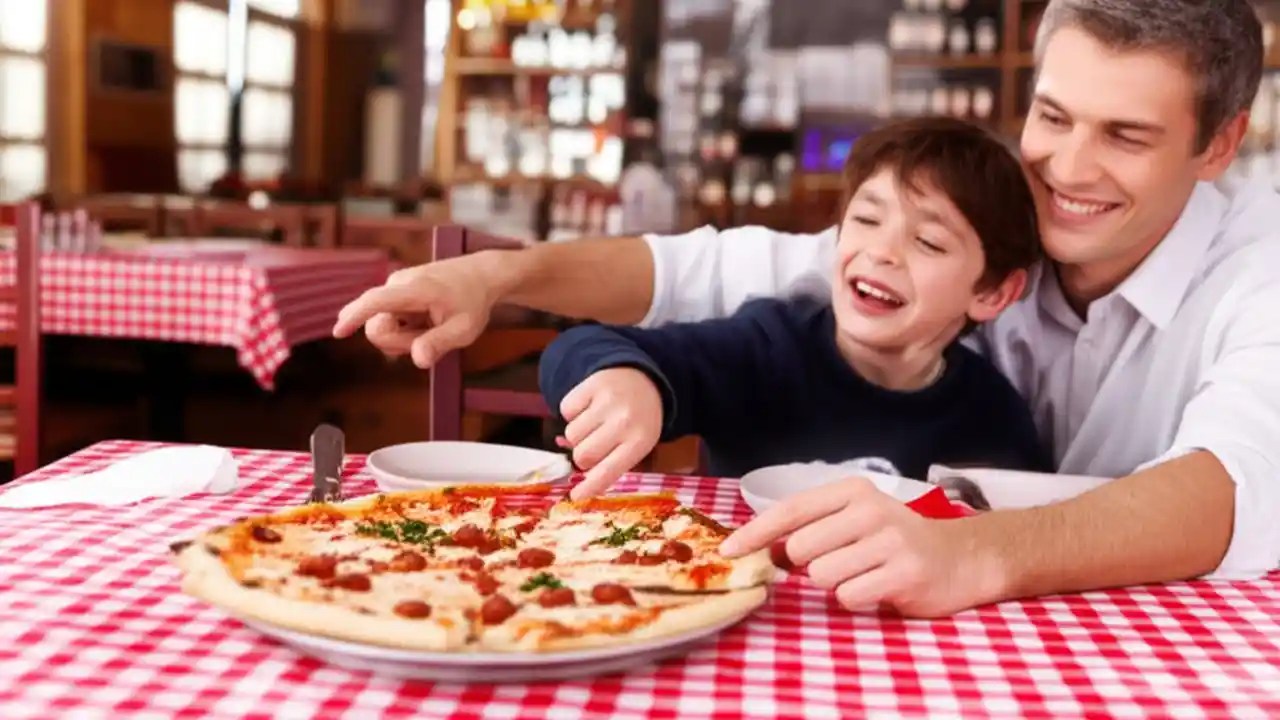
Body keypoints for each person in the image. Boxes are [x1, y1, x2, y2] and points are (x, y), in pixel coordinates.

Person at [334, 0, 1280, 618]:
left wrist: (976, 554)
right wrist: (496, 281)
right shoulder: (988, 226)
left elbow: (1233, 487)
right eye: (1053, 117)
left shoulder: (1260, 269)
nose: (1067, 169)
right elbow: (697, 270)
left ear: (1219, 144)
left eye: (1125, 135)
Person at [537, 117, 1051, 496]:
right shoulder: (765, 348)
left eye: (930, 243)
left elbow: (1015, 541)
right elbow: (577, 346)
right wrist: (630, 380)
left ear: (992, 294)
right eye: (867, 220)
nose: (881, 252)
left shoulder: (994, 414)